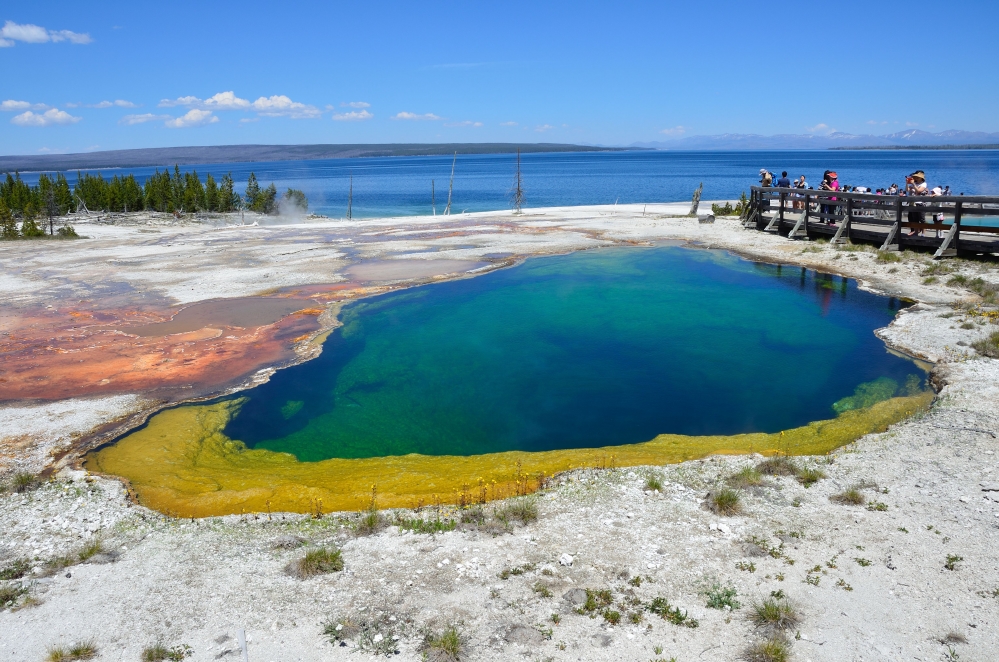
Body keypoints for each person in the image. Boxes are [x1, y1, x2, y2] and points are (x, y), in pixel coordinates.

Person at [905, 170, 928, 236]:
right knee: (914, 219)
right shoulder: (913, 183)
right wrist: (907, 183)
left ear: (921, 178)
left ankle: (923, 233)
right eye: (915, 177)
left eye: (917, 177)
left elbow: (918, 191)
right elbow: (907, 190)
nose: (916, 178)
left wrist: (913, 184)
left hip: (920, 203)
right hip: (913, 203)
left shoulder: (923, 184)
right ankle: (915, 232)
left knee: (922, 219)